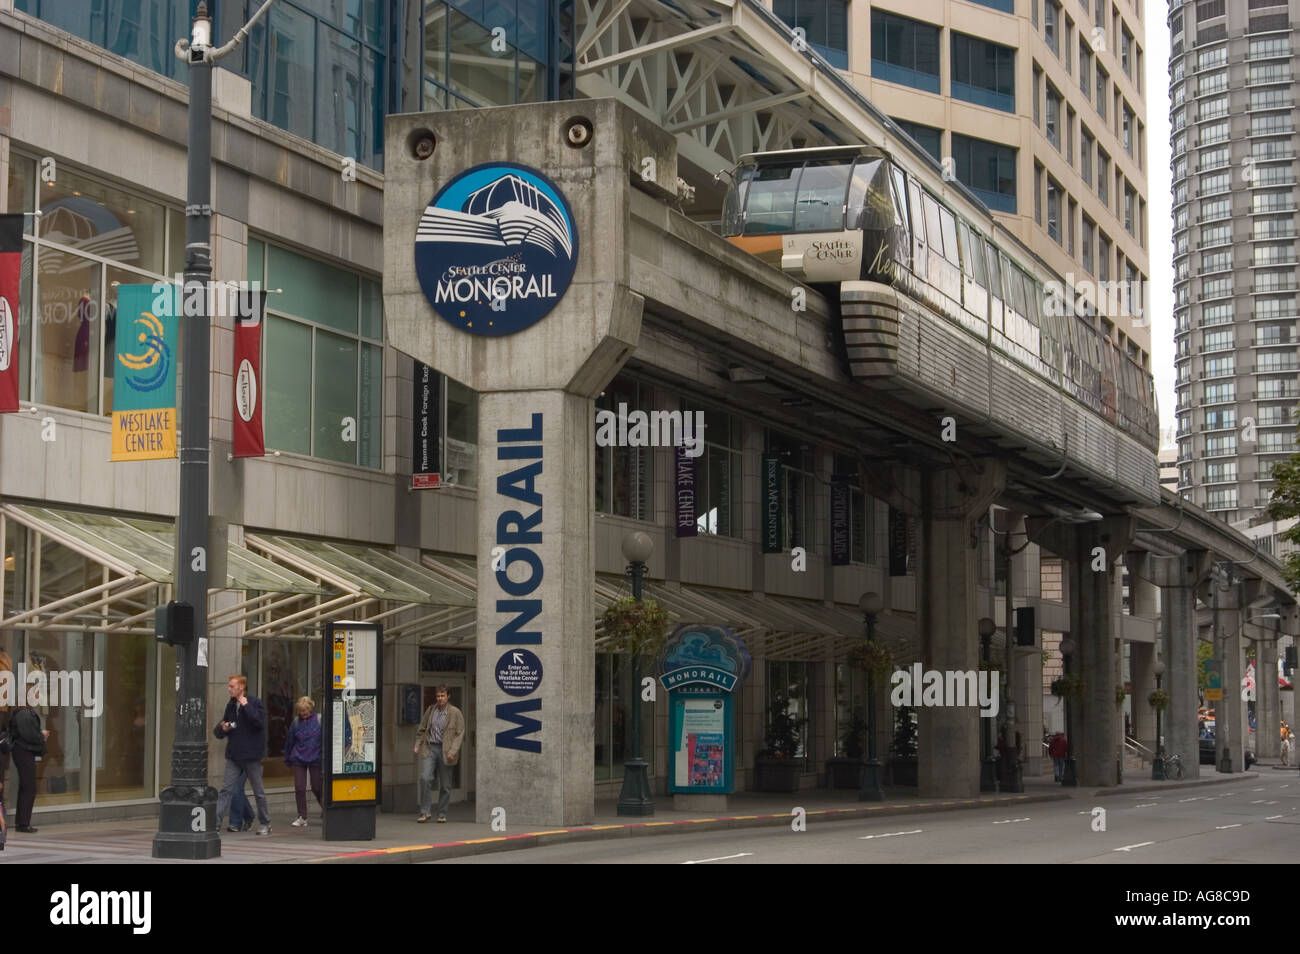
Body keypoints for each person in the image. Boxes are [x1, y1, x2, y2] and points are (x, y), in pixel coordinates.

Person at [214, 675, 272, 836]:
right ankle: (216, 824)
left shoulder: (254, 703)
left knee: (258, 791)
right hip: (234, 756)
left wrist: (246, 706)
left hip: (251, 756)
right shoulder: (231, 706)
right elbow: (219, 730)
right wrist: (223, 729)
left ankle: (265, 823)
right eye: (229, 686)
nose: (229, 688)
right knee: (226, 789)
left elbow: (259, 723)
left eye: (232, 686)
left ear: (241, 687)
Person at [413, 685, 464, 823]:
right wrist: (417, 745)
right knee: (425, 778)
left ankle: (442, 813)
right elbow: (422, 728)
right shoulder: (430, 710)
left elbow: (459, 734)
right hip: (430, 748)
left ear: (448, 696)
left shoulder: (455, 712)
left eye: (442, 696)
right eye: (438, 696)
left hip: (446, 750)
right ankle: (425, 812)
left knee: (445, 785)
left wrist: (453, 751)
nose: (440, 699)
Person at [283, 696, 323, 828]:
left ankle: (326, 808)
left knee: (316, 786)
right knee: (299, 788)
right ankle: (302, 816)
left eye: (305, 710)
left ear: (311, 709)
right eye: (301, 711)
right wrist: (288, 758)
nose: (303, 713)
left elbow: (324, 739)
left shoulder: (318, 720)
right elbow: (290, 741)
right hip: (298, 757)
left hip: (316, 757)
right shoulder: (295, 723)